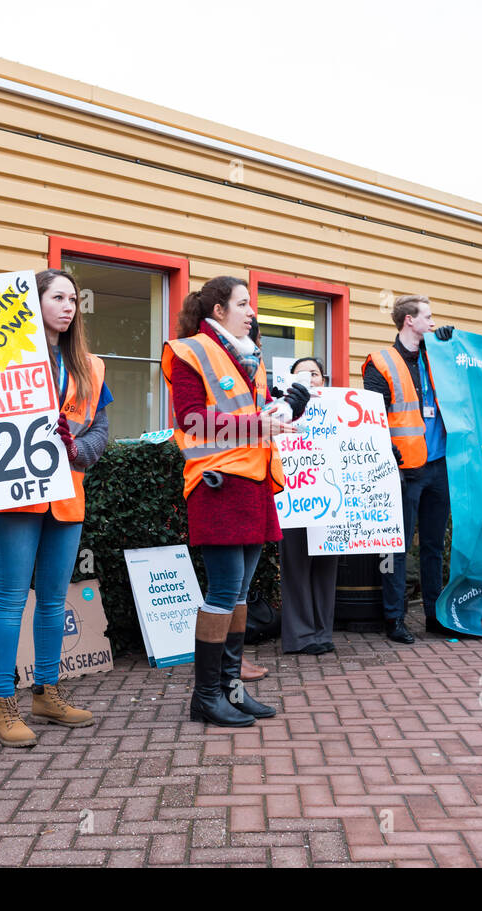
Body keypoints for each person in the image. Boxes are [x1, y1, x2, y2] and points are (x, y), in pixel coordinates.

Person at [162, 276, 310, 726]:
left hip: (252, 482)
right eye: (243, 303)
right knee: (225, 589)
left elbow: (261, 411)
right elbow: (189, 418)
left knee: (240, 592)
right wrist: (257, 427)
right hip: (218, 484)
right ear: (219, 310)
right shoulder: (190, 350)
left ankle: (230, 688)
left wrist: (291, 406)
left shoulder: (247, 354)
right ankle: (206, 696)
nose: (252, 312)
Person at [0, 268, 113, 747]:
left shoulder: (89, 365)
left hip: (68, 492)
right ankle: (2, 705)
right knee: (12, 597)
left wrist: (79, 450)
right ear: (31, 303)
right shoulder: (4, 358)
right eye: (57, 297)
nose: (68, 307)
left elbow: (100, 428)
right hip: (14, 493)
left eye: (74, 299)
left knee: (55, 601)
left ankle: (46, 691)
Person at [363, 295, 456, 642]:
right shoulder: (381, 362)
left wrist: (453, 341)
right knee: (396, 547)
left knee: (433, 545)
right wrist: (389, 455)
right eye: (428, 318)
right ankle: (394, 618)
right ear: (408, 321)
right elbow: (372, 417)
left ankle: (434, 615)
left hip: (439, 466)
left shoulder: (438, 357)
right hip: (404, 470)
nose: (433, 323)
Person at [279, 357, 339, 655]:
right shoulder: (279, 412)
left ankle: (322, 633)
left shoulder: (339, 411)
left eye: (314, 373)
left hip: (331, 502)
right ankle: (300, 636)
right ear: (290, 380)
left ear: (324, 380)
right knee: (297, 568)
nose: (309, 379)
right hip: (294, 501)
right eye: (302, 374)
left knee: (327, 569)